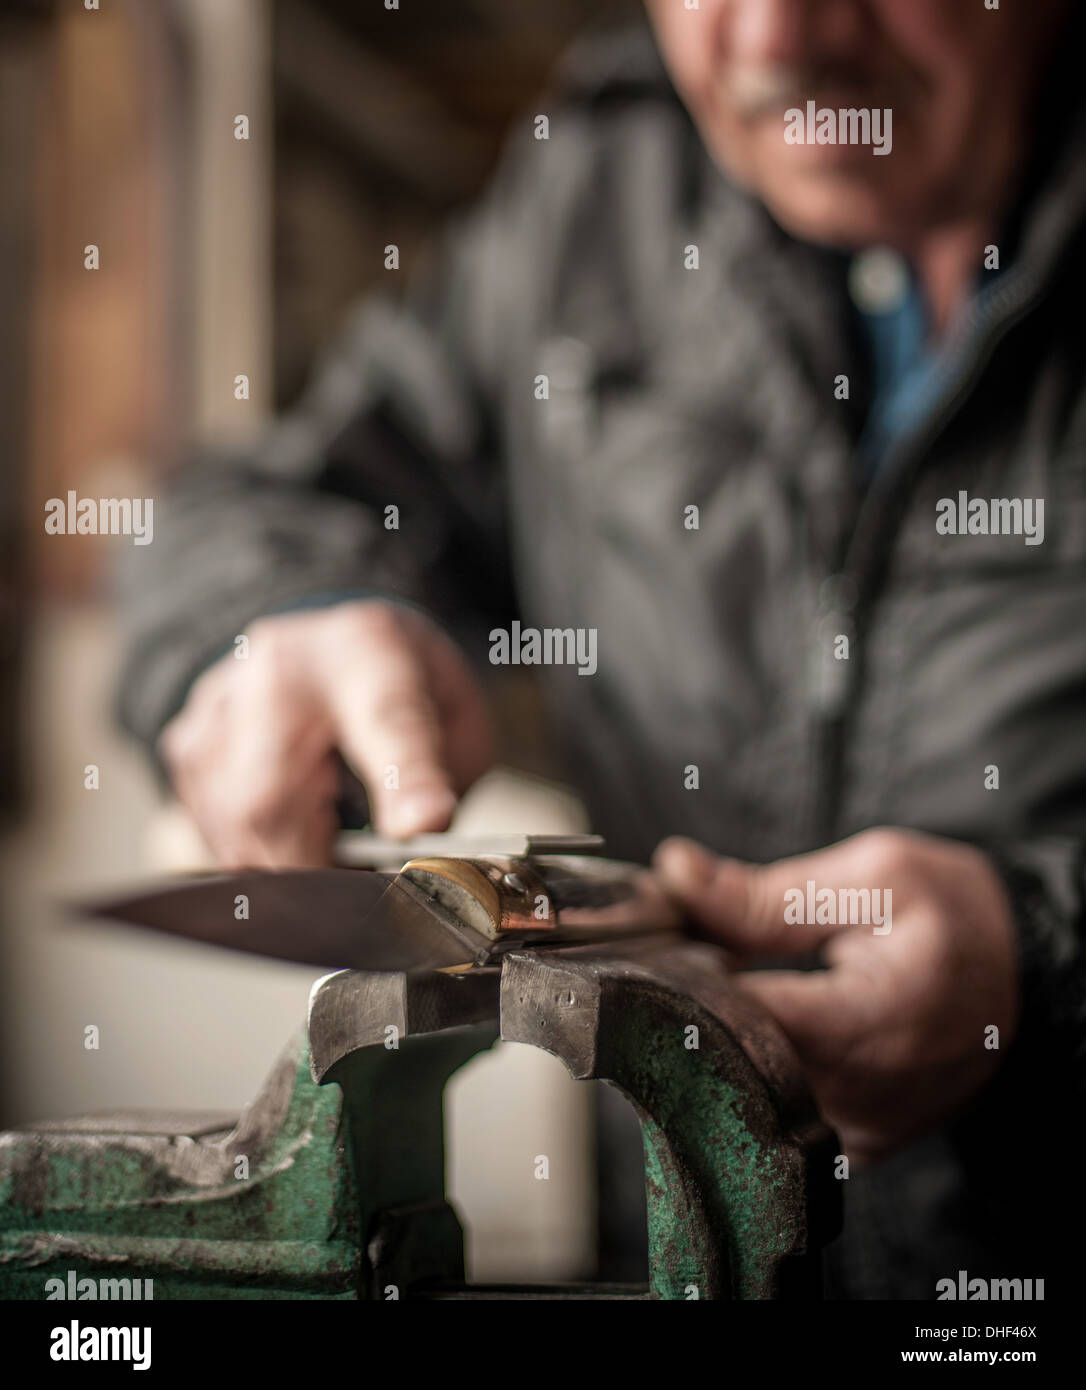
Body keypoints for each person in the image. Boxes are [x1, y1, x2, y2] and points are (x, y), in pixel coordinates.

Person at [118, 0, 1086, 1298]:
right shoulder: (600, 186)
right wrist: (276, 621)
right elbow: (278, 499)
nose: (771, 40)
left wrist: (1039, 955)